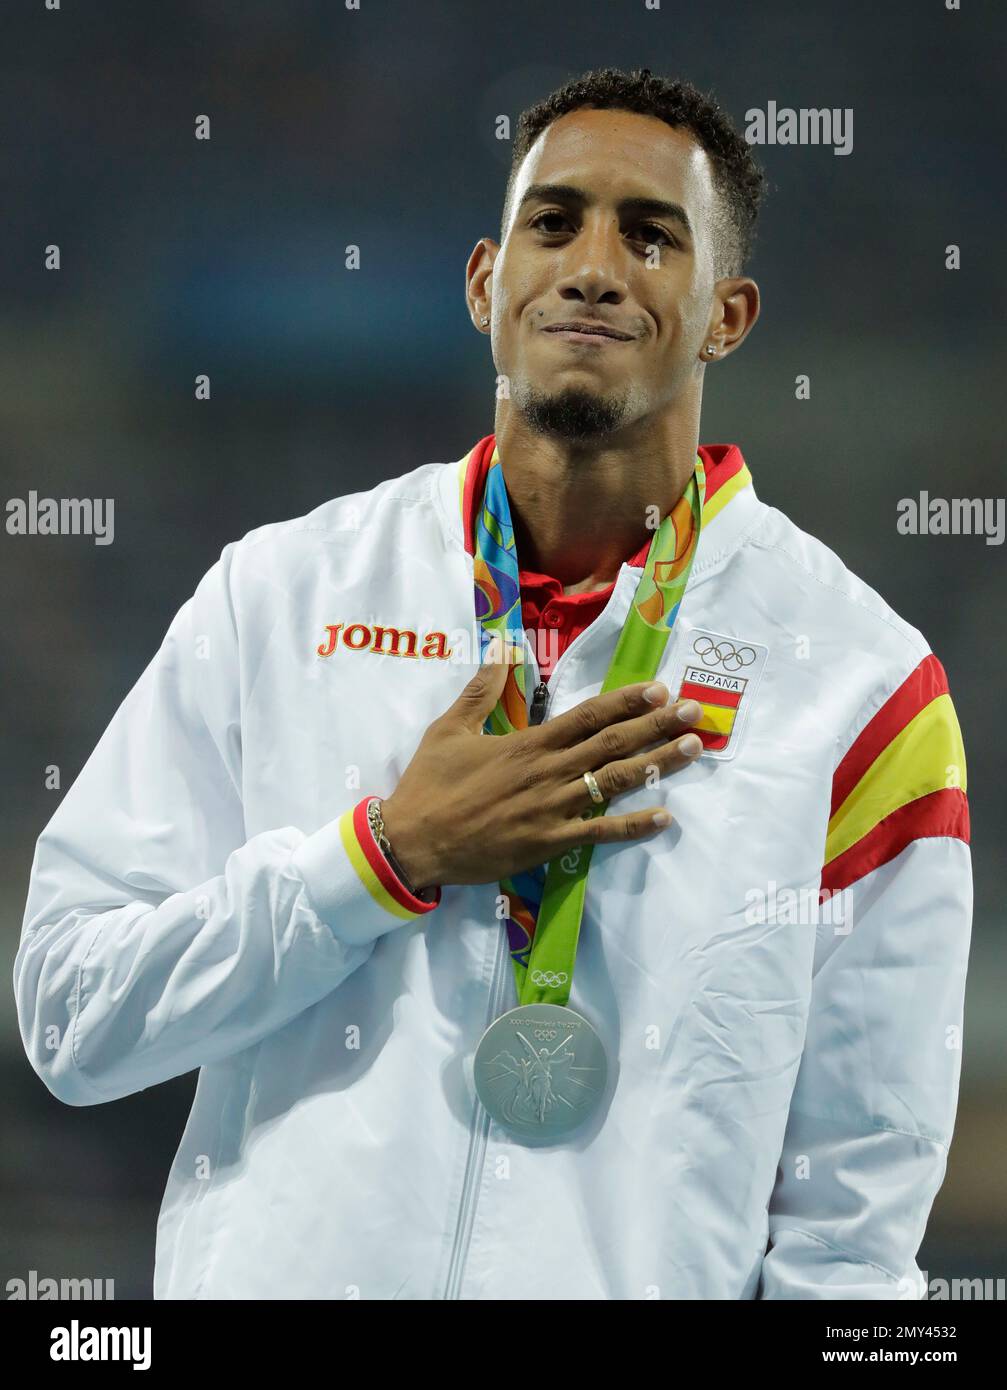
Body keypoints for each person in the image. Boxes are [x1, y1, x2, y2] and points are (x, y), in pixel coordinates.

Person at [14, 67, 971, 1300]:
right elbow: (71, 1016)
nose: (592, 265)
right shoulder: (278, 598)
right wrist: (378, 861)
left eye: (650, 234)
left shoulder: (863, 688)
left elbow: (852, 1236)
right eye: (553, 220)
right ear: (485, 282)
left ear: (727, 314)